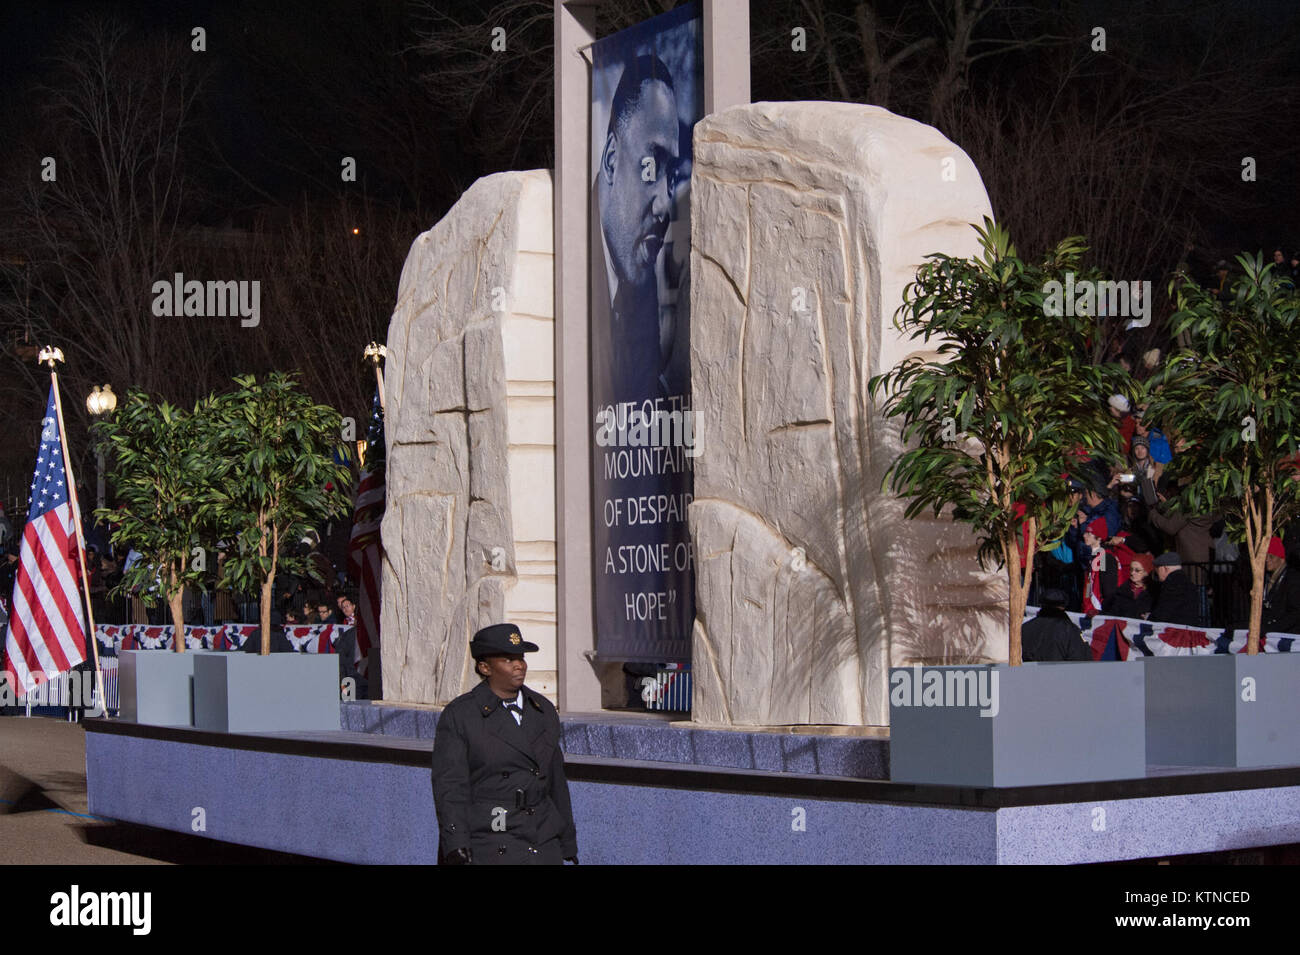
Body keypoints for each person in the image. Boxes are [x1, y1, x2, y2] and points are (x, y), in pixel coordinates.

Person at [431, 624, 578, 866]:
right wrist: (456, 842)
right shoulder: (462, 715)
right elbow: (450, 787)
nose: (519, 665)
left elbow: (555, 781)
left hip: (541, 837)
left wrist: (567, 840)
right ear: (485, 667)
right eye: (508, 659)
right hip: (490, 838)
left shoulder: (542, 709)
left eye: (520, 657)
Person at [592, 53, 679, 404]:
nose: (664, 204)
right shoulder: (572, 257)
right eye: (651, 166)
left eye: (671, 176)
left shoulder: (641, 284)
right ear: (612, 160)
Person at [1022, 589, 1091, 661]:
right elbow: (1082, 658)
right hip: (1061, 671)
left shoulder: (1025, 628)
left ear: (1042, 605)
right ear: (1063, 607)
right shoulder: (1071, 631)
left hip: (1028, 671)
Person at [1149, 551, 1205, 626]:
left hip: (1175, 631)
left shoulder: (1171, 584)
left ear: (1164, 568)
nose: (1157, 573)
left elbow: (1164, 612)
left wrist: (1149, 620)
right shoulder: (1189, 583)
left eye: (1157, 570)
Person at [1261, 536, 1300, 634]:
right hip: (1271, 630)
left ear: (1281, 558)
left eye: (1271, 556)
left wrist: (1271, 629)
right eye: (1264, 556)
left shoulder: (1292, 578)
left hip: (1288, 634)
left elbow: (1295, 613)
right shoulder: (1266, 578)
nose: (1266, 560)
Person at [1104, 552, 1154, 619]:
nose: (1132, 573)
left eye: (1137, 570)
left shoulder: (1153, 593)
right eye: (1131, 569)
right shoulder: (1121, 591)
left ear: (1146, 572)